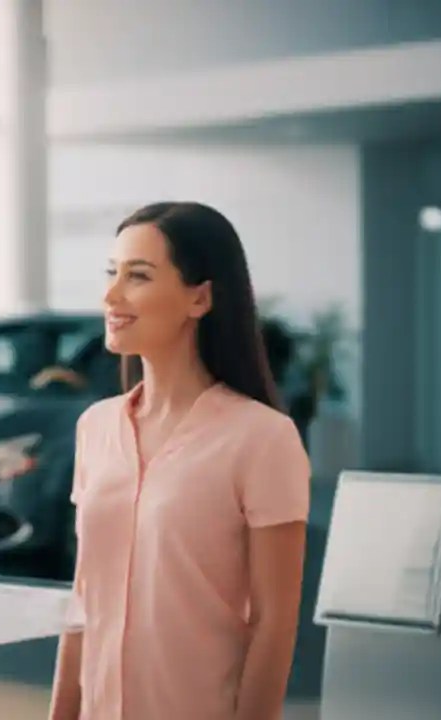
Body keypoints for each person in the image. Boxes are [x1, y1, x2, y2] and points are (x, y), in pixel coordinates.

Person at [49, 202, 310, 720]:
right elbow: (83, 604)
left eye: (138, 276)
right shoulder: (96, 428)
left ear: (201, 296)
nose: (111, 295)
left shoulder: (263, 439)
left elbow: (274, 625)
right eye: (112, 273)